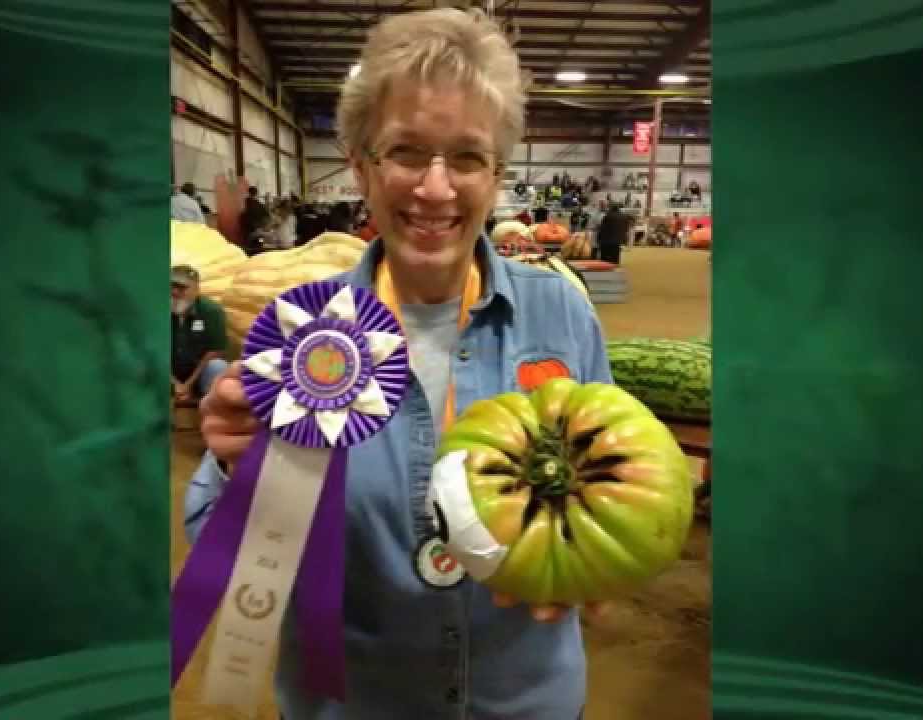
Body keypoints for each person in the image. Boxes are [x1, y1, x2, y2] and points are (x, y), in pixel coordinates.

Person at [185, 8, 611, 719]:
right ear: (360, 163)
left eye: (468, 157)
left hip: (524, 705)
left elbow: (604, 488)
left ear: (497, 173)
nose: (436, 188)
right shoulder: (300, 332)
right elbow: (230, 557)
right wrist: (238, 471)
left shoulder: (562, 316)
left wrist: (595, 554)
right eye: (408, 152)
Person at [170, 265, 228, 402]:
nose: (174, 292)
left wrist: (187, 385)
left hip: (198, 376)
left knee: (217, 366)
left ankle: (210, 409)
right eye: (171, 286)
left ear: (197, 290)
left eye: (182, 288)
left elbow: (215, 351)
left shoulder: (211, 311)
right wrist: (175, 384)